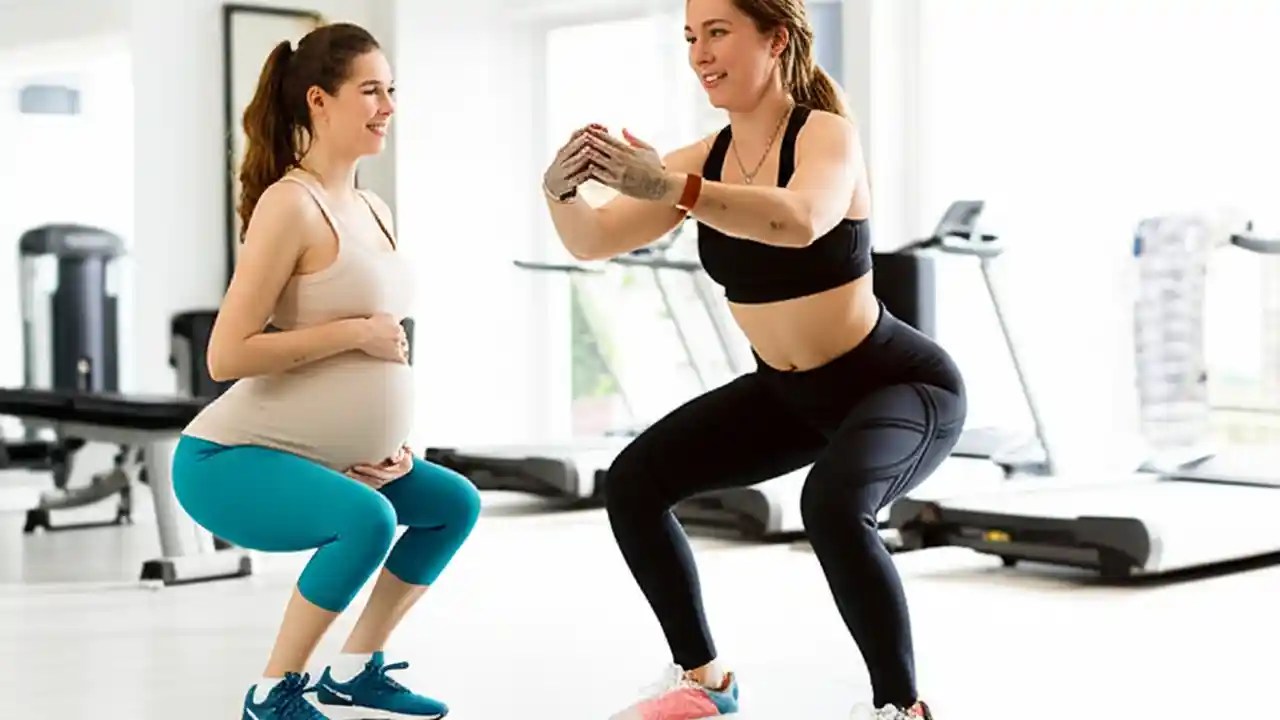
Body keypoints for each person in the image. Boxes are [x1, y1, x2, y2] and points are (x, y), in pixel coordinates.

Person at [541, 0, 966, 718]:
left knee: (833, 506)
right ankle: (704, 681)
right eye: (690, 37)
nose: (700, 53)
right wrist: (559, 188)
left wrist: (669, 188)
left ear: (775, 39)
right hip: (788, 395)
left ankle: (901, 708)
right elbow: (592, 240)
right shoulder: (699, 160)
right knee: (635, 483)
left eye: (718, 33)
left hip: (895, 383)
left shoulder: (824, 136)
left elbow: (799, 221)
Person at [173, 22, 480, 720]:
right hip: (226, 459)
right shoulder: (290, 204)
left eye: (391, 90)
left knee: (452, 504)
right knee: (367, 519)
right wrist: (356, 333)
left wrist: (386, 441)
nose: (388, 106)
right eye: (370, 91)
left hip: (328, 456)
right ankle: (271, 692)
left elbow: (375, 354)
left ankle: (355, 668)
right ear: (319, 100)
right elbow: (226, 354)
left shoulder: (372, 206)